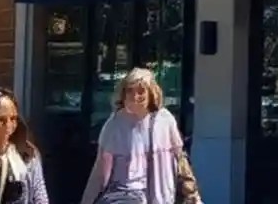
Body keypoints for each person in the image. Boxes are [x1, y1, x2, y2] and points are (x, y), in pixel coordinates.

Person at [79, 68, 196, 204]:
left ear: (151, 93)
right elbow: (100, 172)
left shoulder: (165, 120)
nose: (135, 96)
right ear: (123, 93)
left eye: (141, 91)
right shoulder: (115, 124)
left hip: (161, 197)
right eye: (130, 91)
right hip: (124, 194)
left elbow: (181, 161)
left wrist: (193, 196)